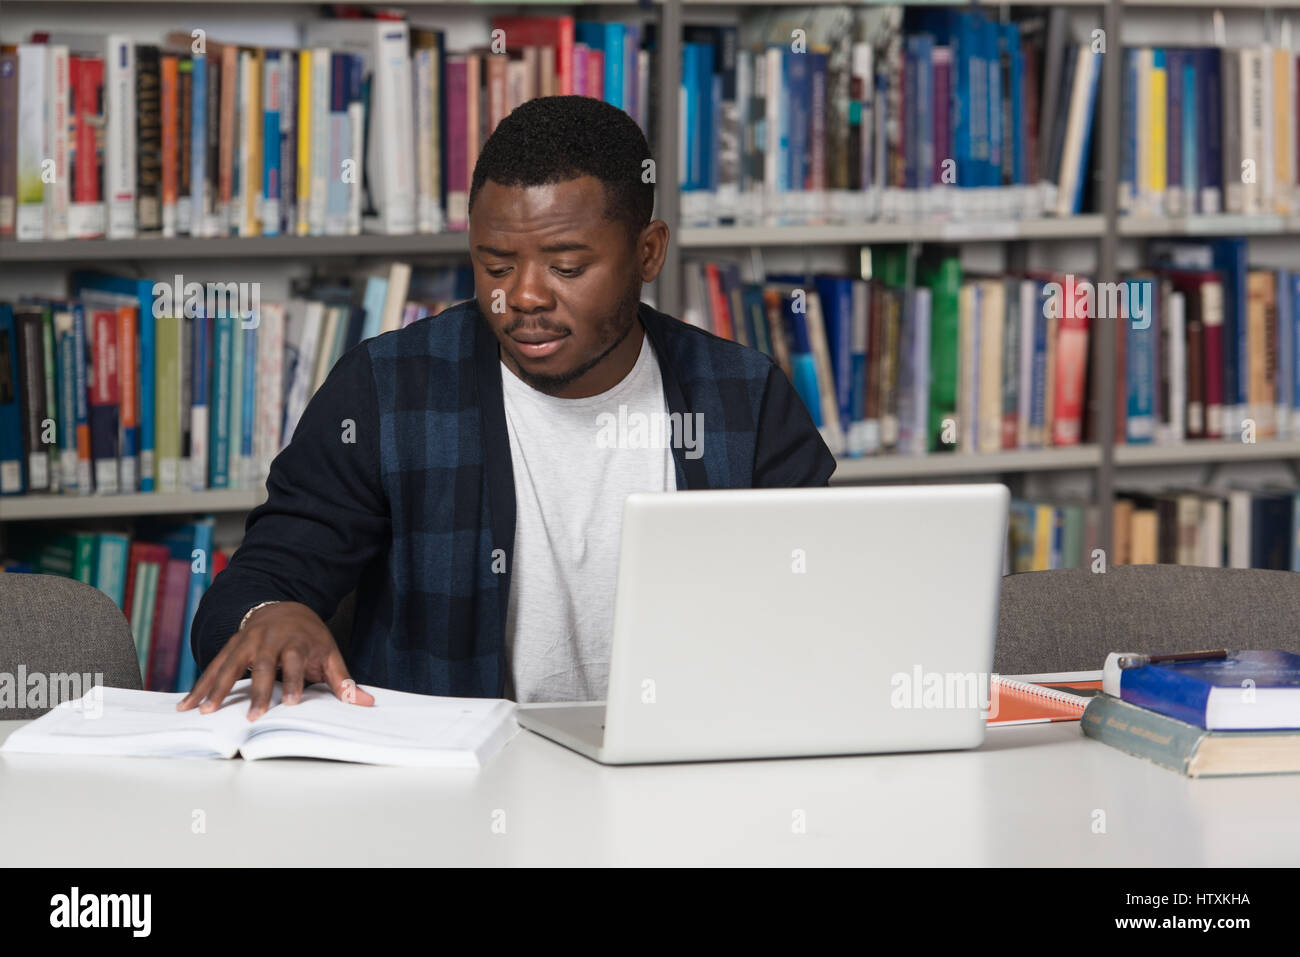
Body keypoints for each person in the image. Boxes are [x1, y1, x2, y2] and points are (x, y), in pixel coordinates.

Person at [180, 95, 835, 720]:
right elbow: (258, 579)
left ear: (648, 252)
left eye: (567, 267)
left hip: (684, 776)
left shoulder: (744, 399)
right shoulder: (390, 389)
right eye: (495, 266)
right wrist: (267, 612)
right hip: (453, 795)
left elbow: (824, 606)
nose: (522, 297)